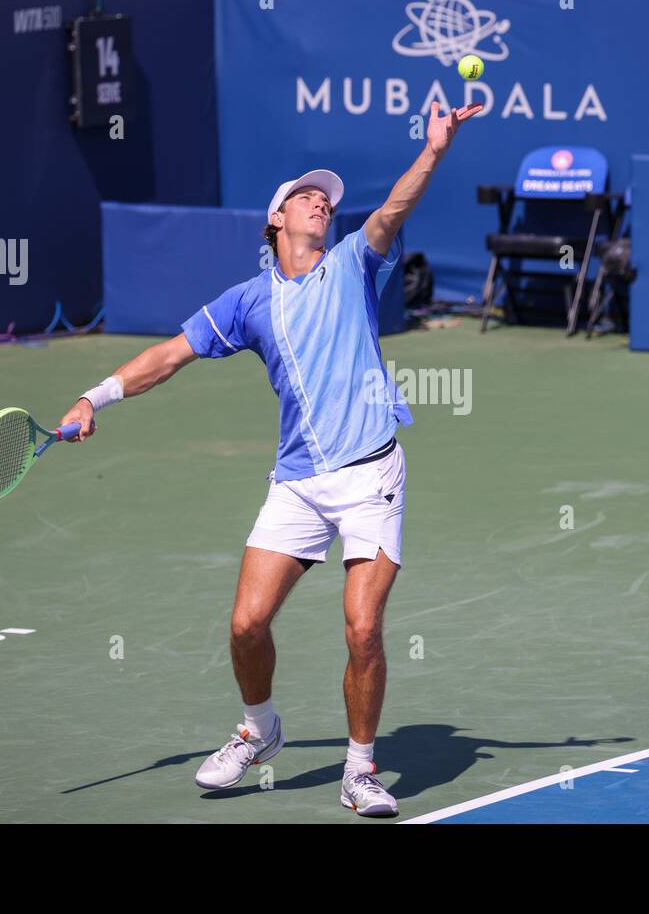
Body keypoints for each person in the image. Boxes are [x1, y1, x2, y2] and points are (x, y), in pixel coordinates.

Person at [58, 101, 483, 818]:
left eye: (326, 199)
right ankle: (259, 728)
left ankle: (358, 768)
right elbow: (170, 355)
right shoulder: (250, 301)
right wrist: (93, 396)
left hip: (371, 474)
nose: (321, 202)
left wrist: (434, 150)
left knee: (362, 627)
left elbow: (391, 209)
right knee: (246, 624)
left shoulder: (353, 264)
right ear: (275, 222)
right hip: (297, 483)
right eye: (305, 196)